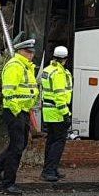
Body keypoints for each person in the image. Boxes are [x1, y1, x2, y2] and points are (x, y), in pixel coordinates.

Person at [0, 38, 39, 195]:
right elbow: (8, 91)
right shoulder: (15, 66)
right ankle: (8, 183)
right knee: (17, 147)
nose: (31, 55)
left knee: (19, 145)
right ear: (20, 51)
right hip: (15, 112)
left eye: (32, 52)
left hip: (22, 111)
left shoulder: (25, 66)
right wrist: (17, 111)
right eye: (28, 52)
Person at [39, 46, 73, 182]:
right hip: (58, 112)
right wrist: (66, 114)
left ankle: (49, 169)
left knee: (51, 141)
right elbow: (59, 96)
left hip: (48, 112)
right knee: (58, 143)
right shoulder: (59, 73)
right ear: (65, 59)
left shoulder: (47, 70)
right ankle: (50, 171)